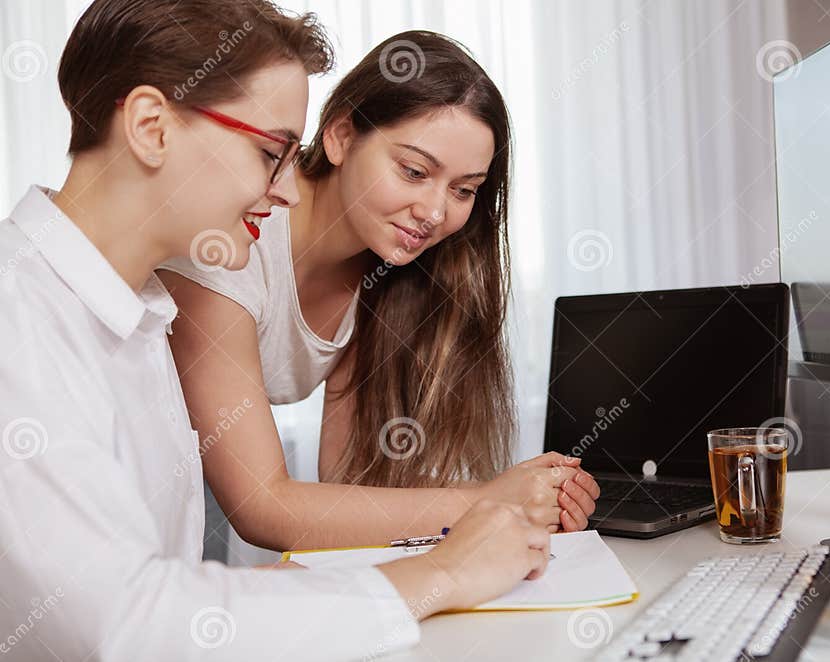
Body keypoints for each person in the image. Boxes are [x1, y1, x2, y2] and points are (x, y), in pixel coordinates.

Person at [0, 3, 550, 659]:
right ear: (151, 127)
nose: (290, 191)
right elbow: (127, 620)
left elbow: (167, 595)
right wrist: (446, 572)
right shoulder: (19, 320)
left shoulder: (141, 319)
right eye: (269, 152)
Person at [158, 30, 601, 553]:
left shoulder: (384, 270)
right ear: (341, 136)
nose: (435, 213)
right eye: (414, 171)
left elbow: (350, 491)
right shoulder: (233, 234)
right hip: (149, 496)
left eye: (463, 190)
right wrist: (490, 502)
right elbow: (264, 508)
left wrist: (539, 501)